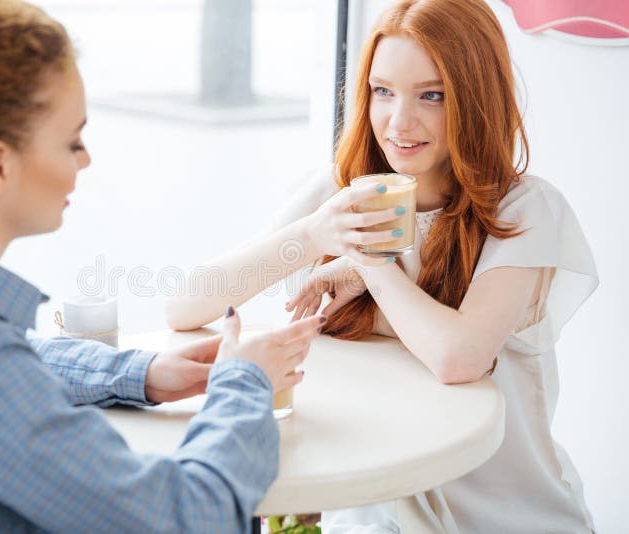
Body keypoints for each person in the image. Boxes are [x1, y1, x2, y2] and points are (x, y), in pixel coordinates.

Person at [0, 1, 325, 531]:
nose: (86, 160)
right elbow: (187, 516)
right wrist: (246, 381)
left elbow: (8, 360)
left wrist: (140, 373)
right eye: (72, 140)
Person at [165, 0, 599, 532]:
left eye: (431, 95)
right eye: (382, 91)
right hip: (375, 506)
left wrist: (367, 264)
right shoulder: (344, 191)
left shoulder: (522, 210)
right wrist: (310, 235)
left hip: (503, 515)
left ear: (476, 98)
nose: (399, 121)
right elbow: (186, 304)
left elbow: (457, 357)